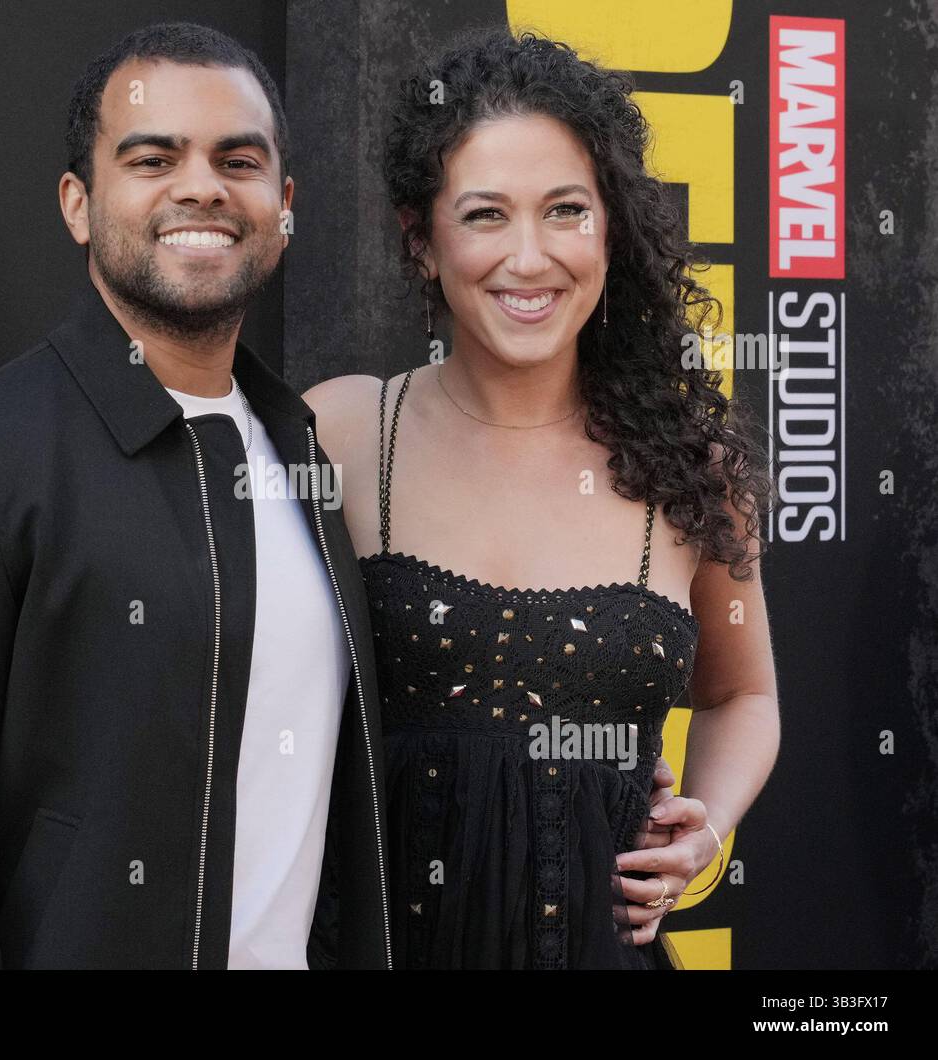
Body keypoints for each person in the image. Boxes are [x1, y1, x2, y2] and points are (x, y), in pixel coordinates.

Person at [0, 21, 391, 970]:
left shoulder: (302, 451)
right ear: (79, 204)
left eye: (238, 159)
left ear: (285, 205)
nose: (202, 186)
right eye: (152, 157)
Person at [304, 26, 780, 969]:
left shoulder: (690, 466)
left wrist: (706, 829)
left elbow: (743, 692)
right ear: (422, 240)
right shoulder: (344, 435)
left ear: (610, 230)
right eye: (485, 215)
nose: (530, 258)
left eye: (566, 210)